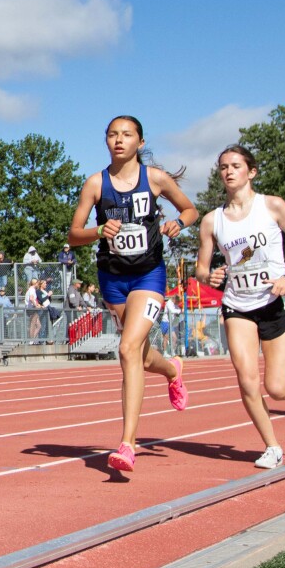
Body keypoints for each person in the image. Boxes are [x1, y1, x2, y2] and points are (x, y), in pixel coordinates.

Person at [65, 116, 196, 473]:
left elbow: (191, 209)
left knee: (126, 349)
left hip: (148, 275)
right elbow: (73, 234)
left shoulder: (155, 178)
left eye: (126, 134)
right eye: (112, 135)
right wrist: (98, 231)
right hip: (112, 279)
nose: (119, 140)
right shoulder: (96, 183)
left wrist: (178, 223)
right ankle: (172, 370)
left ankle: (127, 444)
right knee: (138, 353)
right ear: (106, 141)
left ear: (140, 141)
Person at [194, 144, 285, 471]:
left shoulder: (272, 205)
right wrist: (209, 275)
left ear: (251, 171)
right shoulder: (212, 221)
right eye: (223, 167)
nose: (229, 171)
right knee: (247, 379)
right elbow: (201, 269)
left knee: (277, 390)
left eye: (235, 165)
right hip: (238, 304)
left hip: (275, 301)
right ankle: (272, 446)